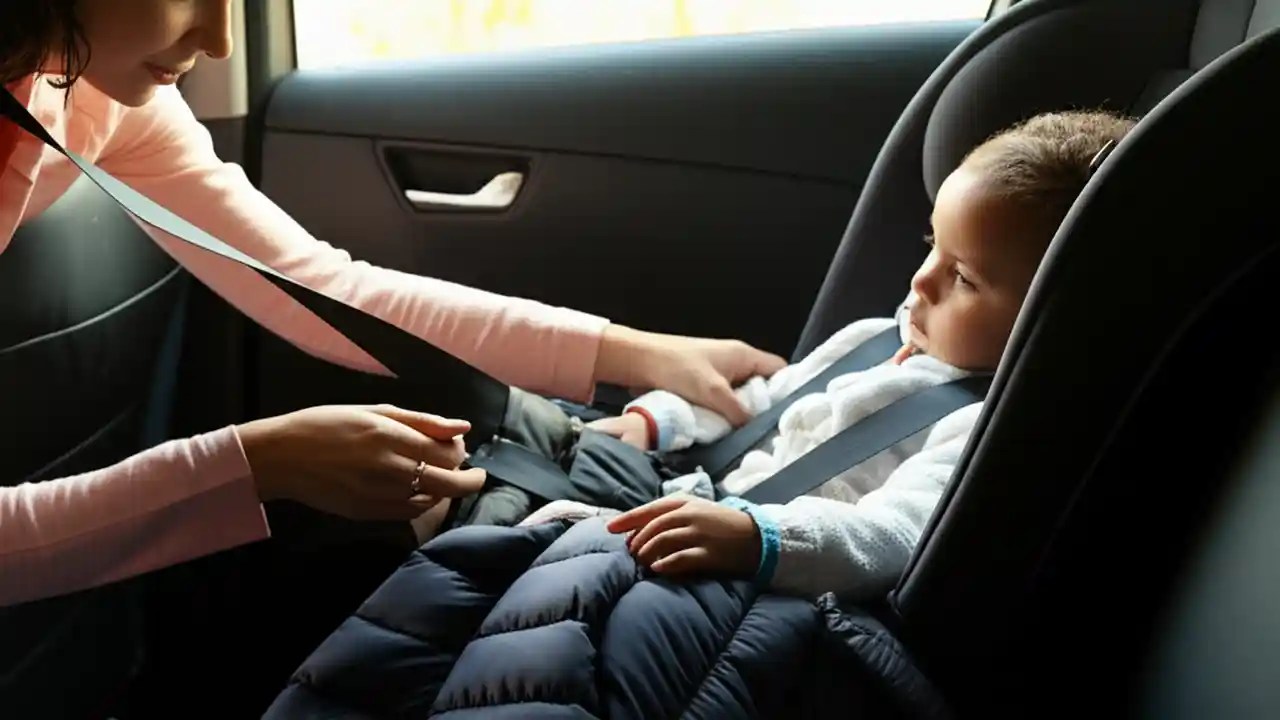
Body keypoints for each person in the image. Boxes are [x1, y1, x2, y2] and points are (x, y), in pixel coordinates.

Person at [0, 0, 785, 714]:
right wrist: (260, 464)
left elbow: (326, 289)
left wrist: (636, 354)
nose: (219, 37)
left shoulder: (92, 95)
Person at [508, 109, 1137, 602]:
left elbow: (891, 538)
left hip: (757, 566)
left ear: (1048, 322)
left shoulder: (977, 427)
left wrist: (762, 540)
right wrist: (659, 421)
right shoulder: (871, 337)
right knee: (516, 431)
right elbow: (761, 406)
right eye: (931, 247)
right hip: (691, 487)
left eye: (964, 278)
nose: (920, 282)